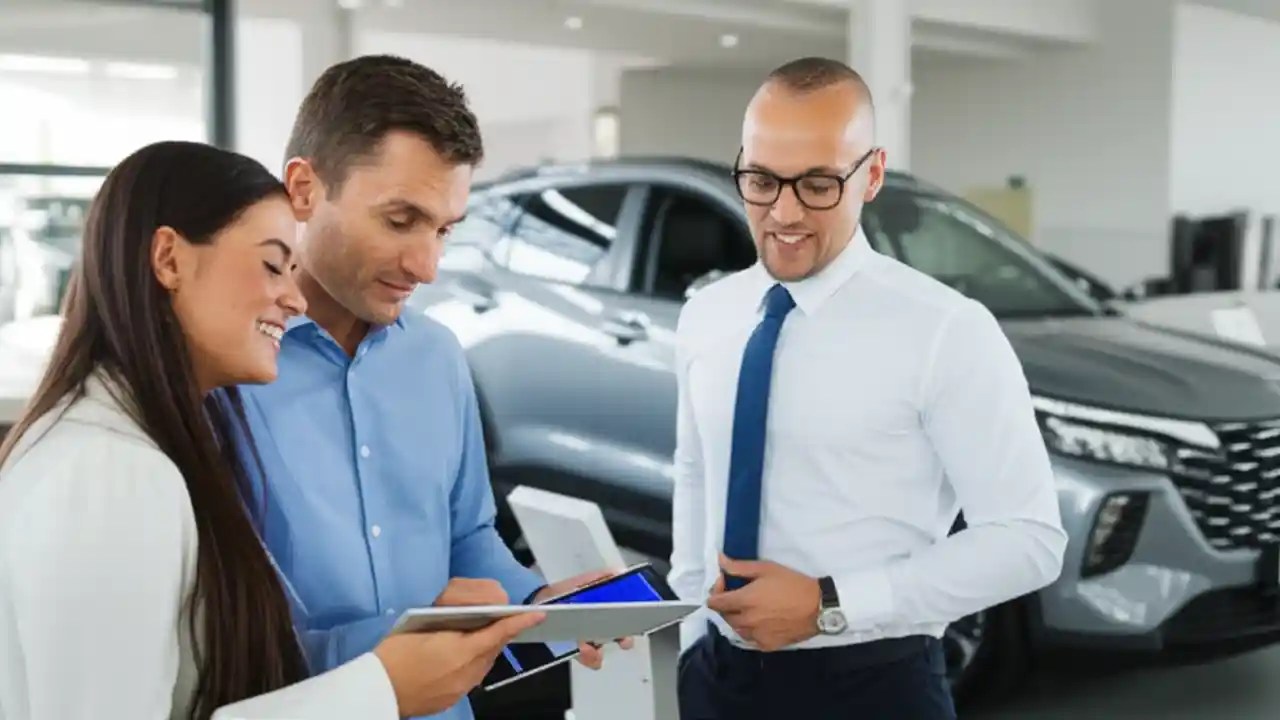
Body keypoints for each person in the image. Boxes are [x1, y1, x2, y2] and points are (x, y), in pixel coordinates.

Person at [0, 141, 545, 720]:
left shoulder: (121, 450)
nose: (294, 297)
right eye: (271, 265)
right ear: (169, 259)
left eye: (443, 231)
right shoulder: (113, 473)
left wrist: (531, 609)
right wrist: (379, 690)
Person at [667, 57, 1068, 719]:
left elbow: (1029, 539)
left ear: (872, 175)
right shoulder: (707, 314)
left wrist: (829, 604)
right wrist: (690, 639)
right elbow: (695, 475)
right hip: (717, 681)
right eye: (761, 181)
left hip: (874, 685)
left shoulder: (946, 329)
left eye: (818, 184)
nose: (783, 212)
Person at [236, 55, 622, 720]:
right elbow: (216, 631)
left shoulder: (438, 358)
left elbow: (466, 536)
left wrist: (534, 605)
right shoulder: (225, 371)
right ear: (303, 189)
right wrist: (394, 652)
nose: (427, 265)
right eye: (399, 220)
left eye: (443, 229)